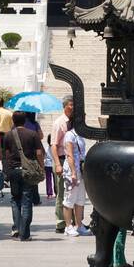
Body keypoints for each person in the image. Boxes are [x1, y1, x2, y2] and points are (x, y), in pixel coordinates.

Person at [3, 110, 45, 241]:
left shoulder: (8, 135)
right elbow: (39, 153)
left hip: (14, 170)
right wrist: (41, 167)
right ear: (25, 120)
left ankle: (16, 228)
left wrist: (6, 171)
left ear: (13, 121)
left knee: (15, 200)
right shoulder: (32, 134)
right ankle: (25, 233)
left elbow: (6, 155)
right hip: (28, 171)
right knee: (27, 200)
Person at [62, 122, 90, 236]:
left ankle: (79, 225)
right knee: (70, 198)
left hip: (81, 170)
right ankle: (68, 226)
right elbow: (69, 155)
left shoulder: (80, 135)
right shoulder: (70, 135)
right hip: (71, 170)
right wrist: (73, 172)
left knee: (80, 198)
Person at [50, 96, 73, 234]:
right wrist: (57, 164)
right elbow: (54, 145)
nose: (73, 107)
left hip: (73, 161)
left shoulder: (76, 122)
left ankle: (74, 220)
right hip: (62, 159)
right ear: (65, 106)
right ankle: (60, 221)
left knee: (73, 192)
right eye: (71, 104)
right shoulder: (59, 123)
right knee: (61, 192)